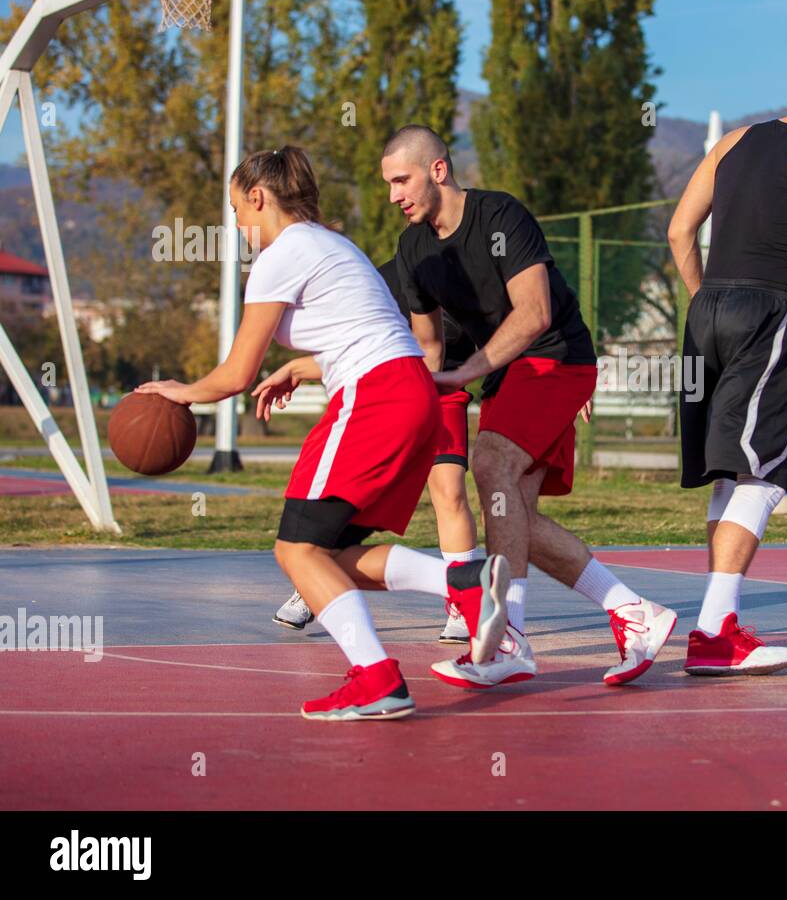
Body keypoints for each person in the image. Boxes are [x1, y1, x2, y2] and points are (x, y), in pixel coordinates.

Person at [138, 146, 510, 720]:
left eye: (238, 210)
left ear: (258, 198)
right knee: (331, 555)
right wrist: (301, 367)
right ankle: (464, 579)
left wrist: (180, 391)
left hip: (375, 398)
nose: (238, 224)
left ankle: (378, 677)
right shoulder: (332, 243)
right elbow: (360, 330)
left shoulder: (282, 254)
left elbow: (236, 373)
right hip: (409, 392)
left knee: (294, 549)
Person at [381, 125, 677, 689]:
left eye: (402, 179)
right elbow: (428, 347)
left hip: (556, 357)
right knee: (510, 510)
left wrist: (469, 371)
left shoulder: (501, 217)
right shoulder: (413, 249)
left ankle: (508, 638)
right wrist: (416, 390)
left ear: (438, 170)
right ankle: (632, 611)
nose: (394, 194)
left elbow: (536, 312)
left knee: (490, 465)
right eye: (388, 184)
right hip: (506, 375)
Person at [667, 52, 787, 675]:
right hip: (771, 307)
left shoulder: (732, 141)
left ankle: (713, 628)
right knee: (763, 472)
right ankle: (715, 634)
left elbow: (678, 232)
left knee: (730, 468)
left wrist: (706, 302)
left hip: (710, 305)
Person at [273, 270, 481, 646]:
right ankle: (315, 574)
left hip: (443, 388)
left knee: (449, 492)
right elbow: (359, 344)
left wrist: (574, 377)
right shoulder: (389, 271)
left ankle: (463, 598)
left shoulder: (478, 265)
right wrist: (299, 367)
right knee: (348, 494)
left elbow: (522, 324)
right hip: (386, 390)